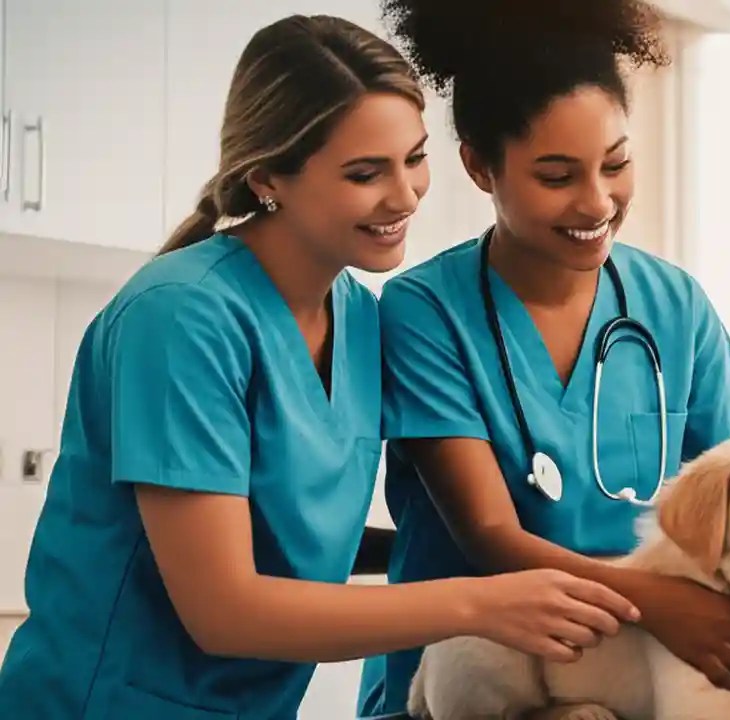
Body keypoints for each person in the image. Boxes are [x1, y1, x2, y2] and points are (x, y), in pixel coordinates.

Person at [0, 15, 639, 719]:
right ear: (268, 176)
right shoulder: (181, 318)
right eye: (365, 173)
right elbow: (225, 609)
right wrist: (477, 601)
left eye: (414, 158)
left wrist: (452, 557)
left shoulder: (360, 319)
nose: (405, 196)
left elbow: (288, 536)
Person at [356, 0, 730, 714]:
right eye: (556, 177)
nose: (597, 202)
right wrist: (658, 604)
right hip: (468, 689)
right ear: (478, 166)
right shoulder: (425, 313)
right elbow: (492, 536)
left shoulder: (672, 305)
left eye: (615, 164)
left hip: (629, 687)